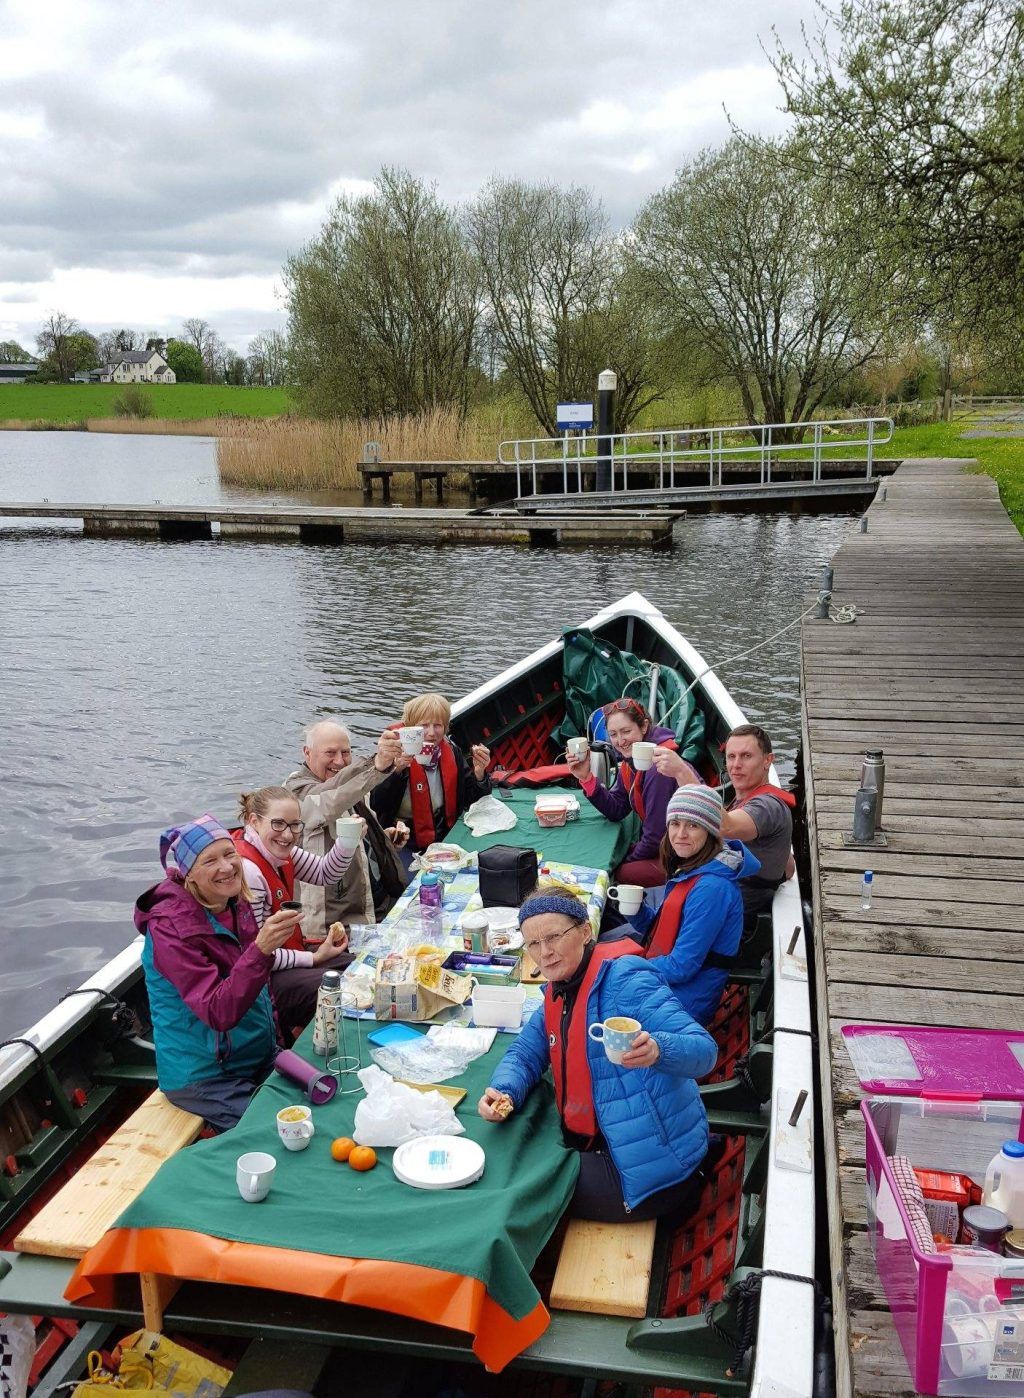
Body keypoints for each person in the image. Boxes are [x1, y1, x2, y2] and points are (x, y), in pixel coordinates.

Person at [478, 888, 717, 1222]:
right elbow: (524, 1054)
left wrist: (657, 1049)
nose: (544, 953)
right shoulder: (559, 990)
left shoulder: (627, 981)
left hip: (646, 1172)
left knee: (514, 1191)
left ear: (586, 931)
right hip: (596, 1143)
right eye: (533, 943)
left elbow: (704, 1052)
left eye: (554, 937)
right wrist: (503, 1089)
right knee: (508, 1164)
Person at [136, 814, 337, 1132]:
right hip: (206, 1074)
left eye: (230, 854)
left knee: (329, 1099)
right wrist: (261, 950)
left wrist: (277, 1042)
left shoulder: (234, 902)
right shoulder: (170, 928)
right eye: (210, 861)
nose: (227, 867)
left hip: (258, 1054)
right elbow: (218, 1011)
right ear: (189, 875)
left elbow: (258, 986)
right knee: (284, 1132)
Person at [628, 787, 759, 1025]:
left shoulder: (711, 888)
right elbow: (665, 930)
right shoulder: (693, 870)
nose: (680, 834)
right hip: (668, 987)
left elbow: (682, 966)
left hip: (683, 1006)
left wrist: (629, 969)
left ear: (710, 831)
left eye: (693, 825)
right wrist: (635, 911)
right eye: (675, 823)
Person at [232, 786, 361, 1027]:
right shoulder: (249, 873)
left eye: (294, 825)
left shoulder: (277, 850)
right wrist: (312, 959)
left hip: (285, 960)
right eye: (278, 824)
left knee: (360, 966)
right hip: (263, 980)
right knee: (342, 988)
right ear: (254, 821)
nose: (288, 835)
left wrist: (347, 841)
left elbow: (325, 873)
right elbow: (257, 954)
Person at [653, 722, 795, 928]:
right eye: (731, 756)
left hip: (723, 915)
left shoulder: (767, 806)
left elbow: (725, 827)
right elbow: (788, 868)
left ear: (767, 761)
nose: (736, 765)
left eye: (746, 756)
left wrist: (681, 771)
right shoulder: (744, 801)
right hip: (711, 899)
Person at [285, 721, 411, 931]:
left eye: (345, 752)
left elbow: (356, 838)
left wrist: (383, 839)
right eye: (330, 753)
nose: (339, 761)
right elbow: (332, 798)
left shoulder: (354, 786)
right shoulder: (295, 794)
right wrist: (378, 765)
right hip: (335, 924)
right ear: (307, 753)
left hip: (374, 903)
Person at [564, 697, 702, 887]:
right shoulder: (633, 761)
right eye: (613, 734)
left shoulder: (660, 768)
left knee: (618, 873)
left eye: (626, 731)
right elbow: (618, 809)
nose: (620, 741)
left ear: (644, 727)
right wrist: (587, 778)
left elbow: (654, 838)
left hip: (690, 856)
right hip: (667, 846)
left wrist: (624, 857)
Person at [370, 693, 492, 854]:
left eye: (438, 725)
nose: (432, 733)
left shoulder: (452, 751)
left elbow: (474, 800)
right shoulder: (392, 755)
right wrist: (397, 771)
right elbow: (377, 803)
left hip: (444, 832)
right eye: (424, 726)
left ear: (446, 727)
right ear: (410, 728)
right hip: (402, 839)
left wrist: (479, 772)